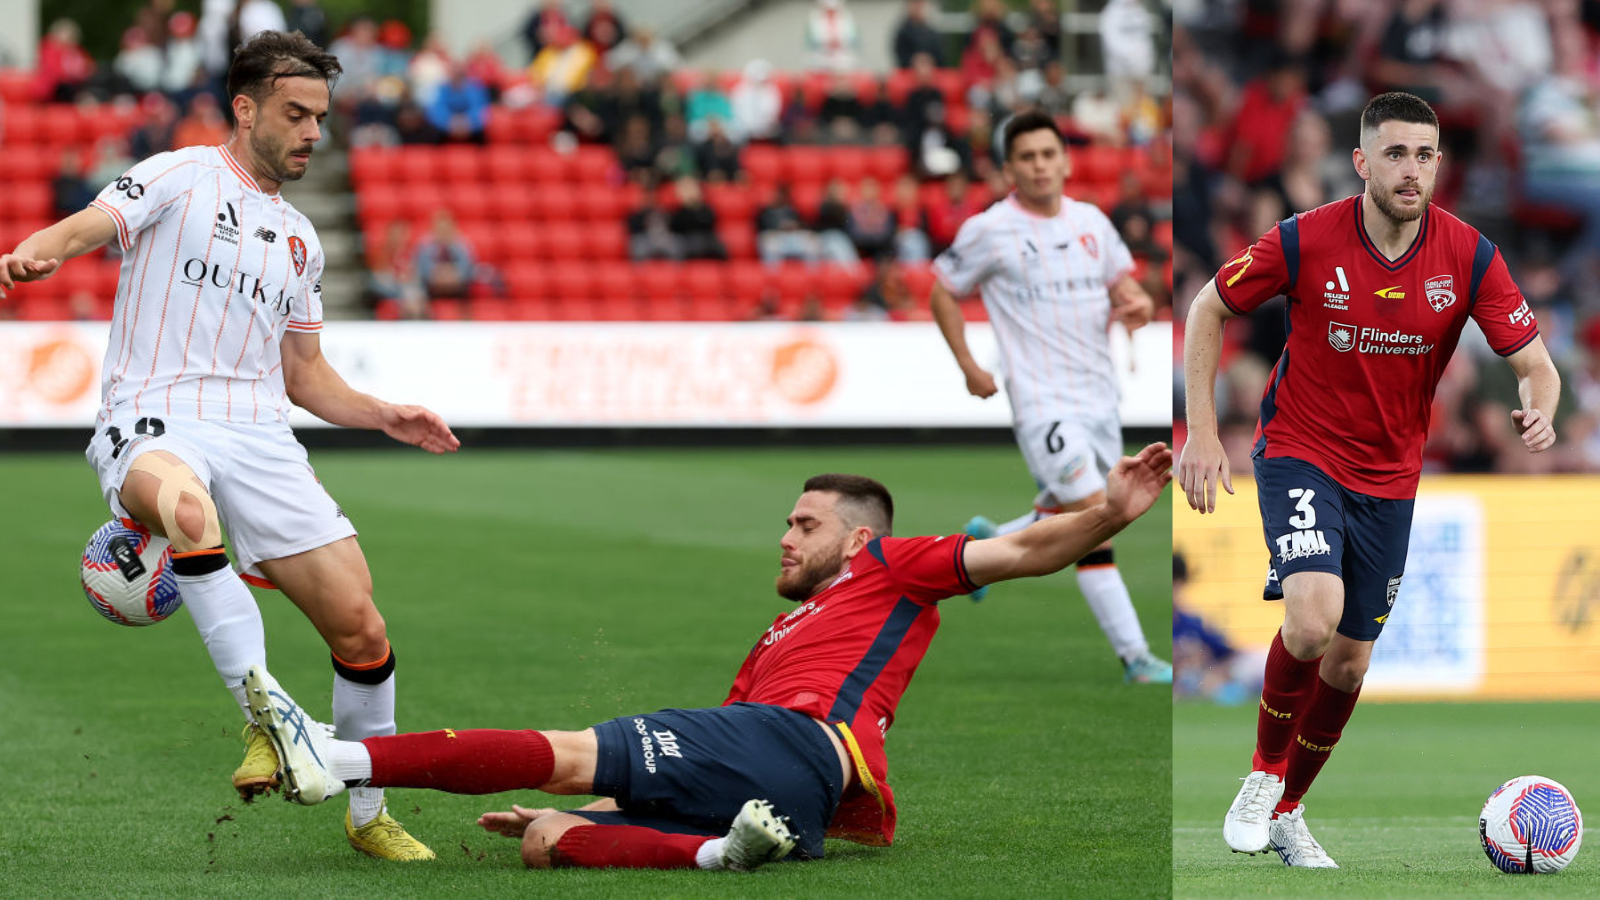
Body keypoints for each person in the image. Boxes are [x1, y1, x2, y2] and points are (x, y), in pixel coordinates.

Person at [243, 444, 1175, 871]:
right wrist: (585, 811)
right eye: (785, 521)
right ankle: (715, 854)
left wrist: (1107, 512)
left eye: (804, 524)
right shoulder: (770, 644)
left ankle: (338, 758)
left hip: (803, 743)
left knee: (572, 746)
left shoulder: (893, 566)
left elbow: (1016, 553)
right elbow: (693, 763)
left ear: (856, 540)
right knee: (547, 836)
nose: (784, 537)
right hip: (792, 792)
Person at [0, 30, 459, 861]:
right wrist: (39, 252)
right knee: (186, 506)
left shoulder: (302, 242)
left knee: (360, 628)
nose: (314, 132)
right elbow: (92, 224)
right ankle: (264, 717)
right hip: (154, 414)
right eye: (296, 113)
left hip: (261, 434)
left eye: (320, 116)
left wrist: (383, 413)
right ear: (245, 110)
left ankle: (368, 817)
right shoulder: (180, 173)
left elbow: (306, 377)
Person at [1178, 92, 1559, 868]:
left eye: (1424, 155)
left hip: (1391, 476)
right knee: (1313, 619)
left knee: (1350, 662)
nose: (1410, 170)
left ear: (1439, 165)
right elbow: (1205, 309)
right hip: (1301, 448)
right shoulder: (1306, 239)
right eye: (1394, 153)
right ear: (1361, 162)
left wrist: (1539, 410)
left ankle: (1288, 811)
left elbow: (1535, 365)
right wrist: (1205, 433)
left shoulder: (1471, 255)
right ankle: (1260, 777)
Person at [927, 110, 1171, 685]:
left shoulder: (1092, 222)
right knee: (1098, 513)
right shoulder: (991, 229)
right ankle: (1136, 657)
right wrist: (968, 365)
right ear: (1009, 168)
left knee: (1083, 510)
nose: (1039, 166)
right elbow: (943, 291)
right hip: (1042, 401)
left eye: (1047, 154)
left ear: (1065, 160)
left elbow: (1126, 287)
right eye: (1027, 157)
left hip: (1099, 397)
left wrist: (1136, 303)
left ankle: (989, 545)